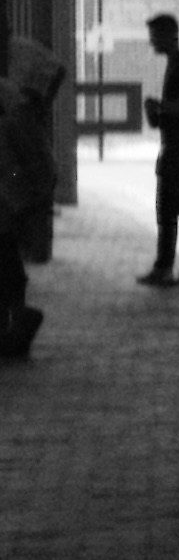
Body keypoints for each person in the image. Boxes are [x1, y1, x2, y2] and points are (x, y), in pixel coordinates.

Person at [0, 36, 65, 359]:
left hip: (9, 195)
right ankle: (15, 319)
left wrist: (15, 189)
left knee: (6, 257)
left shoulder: (10, 104)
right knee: (7, 258)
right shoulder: (13, 101)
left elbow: (27, 163)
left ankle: (15, 321)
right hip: (11, 195)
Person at [137, 12, 179, 289]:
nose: (152, 42)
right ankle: (168, 266)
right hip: (174, 144)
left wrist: (160, 107)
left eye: (155, 36)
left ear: (168, 35)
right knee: (168, 207)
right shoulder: (175, 64)